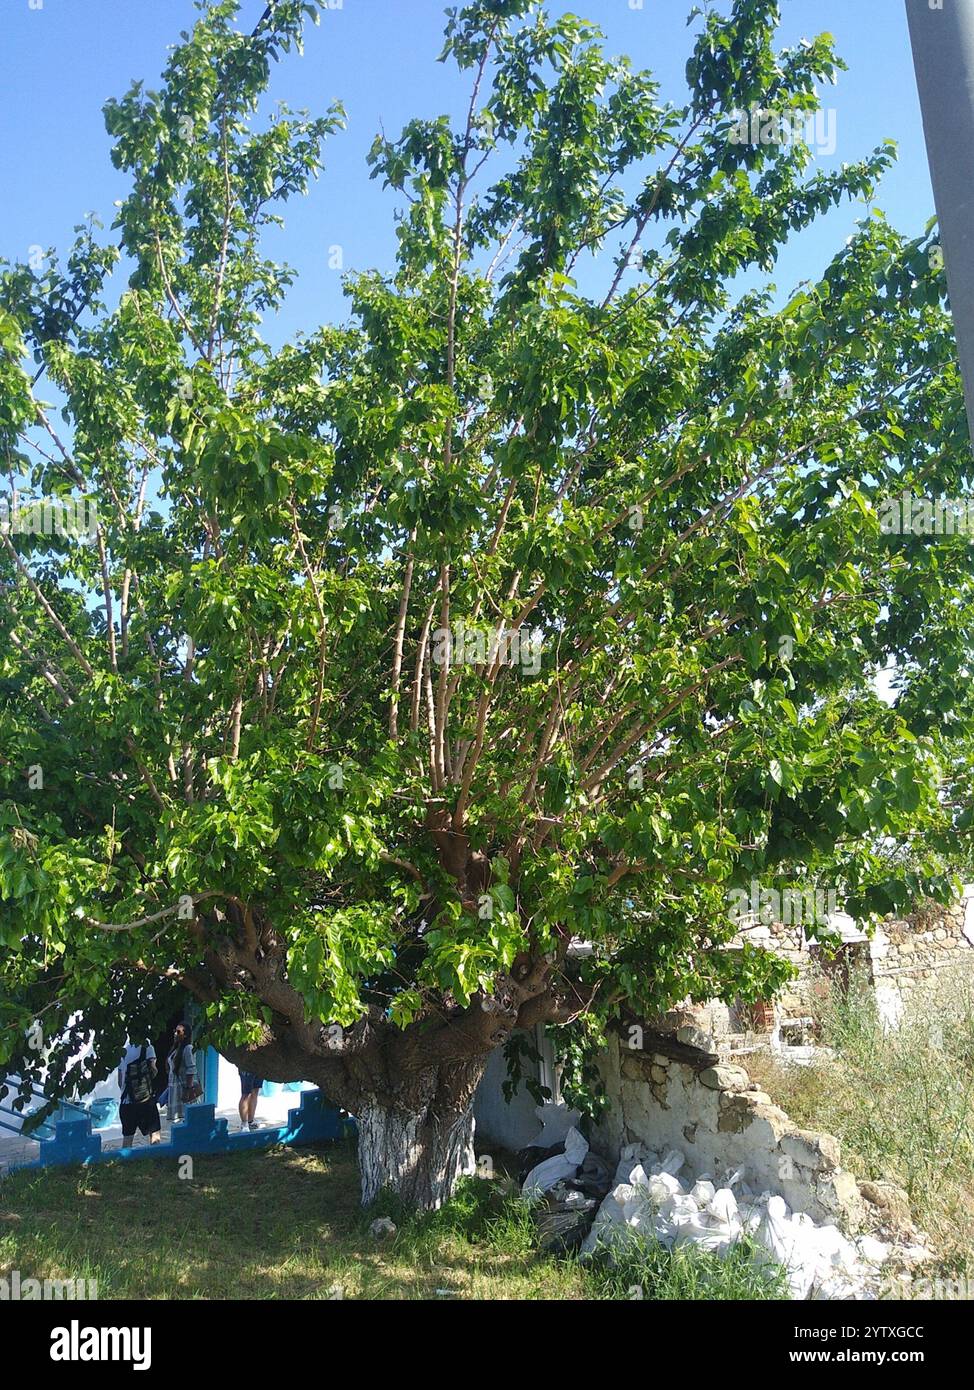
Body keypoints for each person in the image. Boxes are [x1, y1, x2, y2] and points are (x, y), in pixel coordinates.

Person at [117, 1039, 162, 1148]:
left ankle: (126, 1159)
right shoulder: (147, 1047)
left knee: (127, 1141)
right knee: (155, 1136)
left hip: (126, 1103)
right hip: (145, 1101)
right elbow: (153, 1071)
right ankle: (156, 1158)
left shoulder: (122, 1051)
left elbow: (120, 1082)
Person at [165, 1022, 198, 1124]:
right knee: (177, 1120)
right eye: (175, 1031)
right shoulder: (176, 1048)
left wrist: (188, 1090)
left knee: (185, 1118)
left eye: (178, 1032)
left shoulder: (188, 1048)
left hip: (183, 1089)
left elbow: (191, 1069)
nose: (175, 1034)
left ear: (185, 1034)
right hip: (174, 1088)